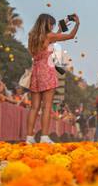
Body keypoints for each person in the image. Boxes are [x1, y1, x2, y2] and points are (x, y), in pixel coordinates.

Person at [25, 12, 78, 142]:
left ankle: (29, 137)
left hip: (36, 71)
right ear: (47, 23)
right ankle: (44, 136)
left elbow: (52, 39)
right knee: (47, 106)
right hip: (47, 71)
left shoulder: (32, 36)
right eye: (52, 24)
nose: (53, 26)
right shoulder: (49, 36)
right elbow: (71, 36)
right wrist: (77, 24)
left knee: (34, 107)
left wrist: (59, 30)